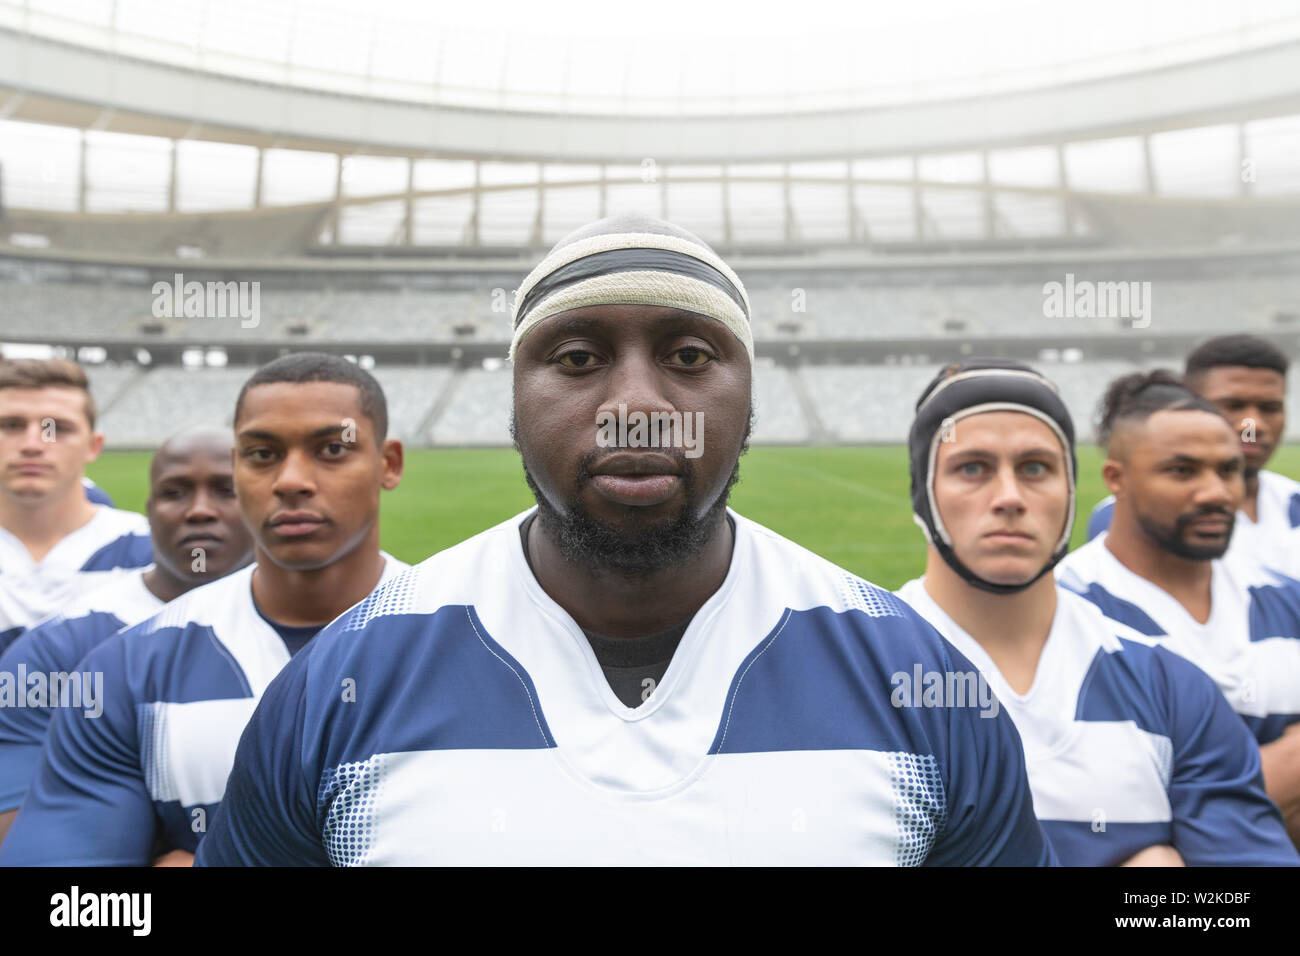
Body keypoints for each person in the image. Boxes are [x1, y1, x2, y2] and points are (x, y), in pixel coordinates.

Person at [197, 215, 1054, 866]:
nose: (637, 404)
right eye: (576, 358)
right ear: (516, 399)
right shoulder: (341, 684)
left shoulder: (921, 684)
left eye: (688, 355)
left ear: (749, 396)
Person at [0, 354, 406, 865]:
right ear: (238, 467)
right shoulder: (127, 668)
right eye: (262, 454)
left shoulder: (474, 640)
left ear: (388, 463)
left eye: (330, 449)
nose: (292, 480)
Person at [894, 359, 1296, 865]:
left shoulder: (1171, 686)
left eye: (1035, 468)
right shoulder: (854, 675)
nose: (1009, 497)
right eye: (971, 468)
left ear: (1072, 489)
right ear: (922, 490)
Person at [1058, 370, 1300, 843]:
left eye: (1227, 470)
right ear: (1116, 479)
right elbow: (1106, 822)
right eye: (1181, 471)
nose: (1215, 493)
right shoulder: (1063, 611)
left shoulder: (1286, 598)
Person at [0, 425, 254, 843]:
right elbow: (22, 830)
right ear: (148, 511)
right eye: (175, 492)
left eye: (227, 490)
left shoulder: (336, 633)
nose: (200, 510)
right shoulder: (56, 649)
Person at [1086, 336, 1300, 578]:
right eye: (1233, 405)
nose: (1252, 425)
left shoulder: (1294, 502)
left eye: (1270, 408)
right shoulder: (1128, 516)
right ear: (1188, 406)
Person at [0, 359, 151, 652]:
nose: (33, 443)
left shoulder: (152, 550)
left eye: (57, 428)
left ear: (93, 446)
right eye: (11, 425)